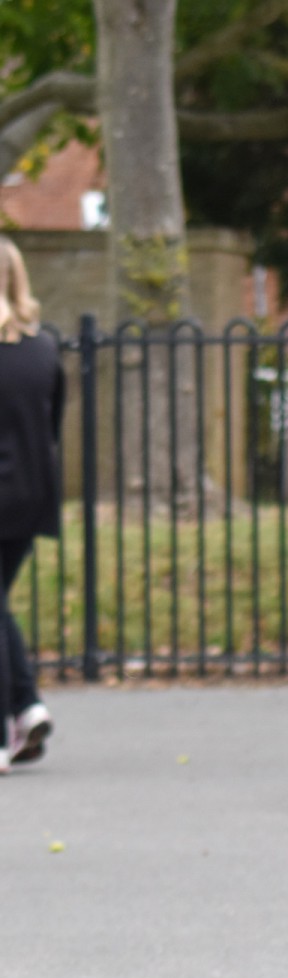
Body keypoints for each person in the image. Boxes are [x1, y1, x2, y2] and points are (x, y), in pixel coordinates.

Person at [0, 238, 64, 775]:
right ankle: (26, 705)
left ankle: (8, 725)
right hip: (31, 494)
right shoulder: (43, 349)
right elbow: (52, 424)